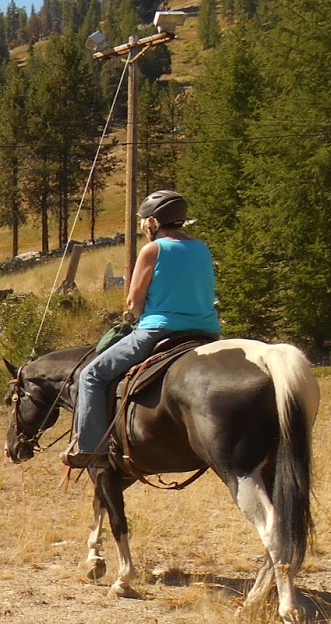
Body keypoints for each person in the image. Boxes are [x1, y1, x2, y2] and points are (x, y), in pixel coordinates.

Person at [65, 189, 222, 470]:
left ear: (153, 222)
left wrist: (131, 314)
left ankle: (90, 448)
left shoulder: (153, 249)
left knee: (92, 374)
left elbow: (134, 302)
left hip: (158, 331)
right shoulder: (202, 248)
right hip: (207, 332)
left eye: (144, 221)